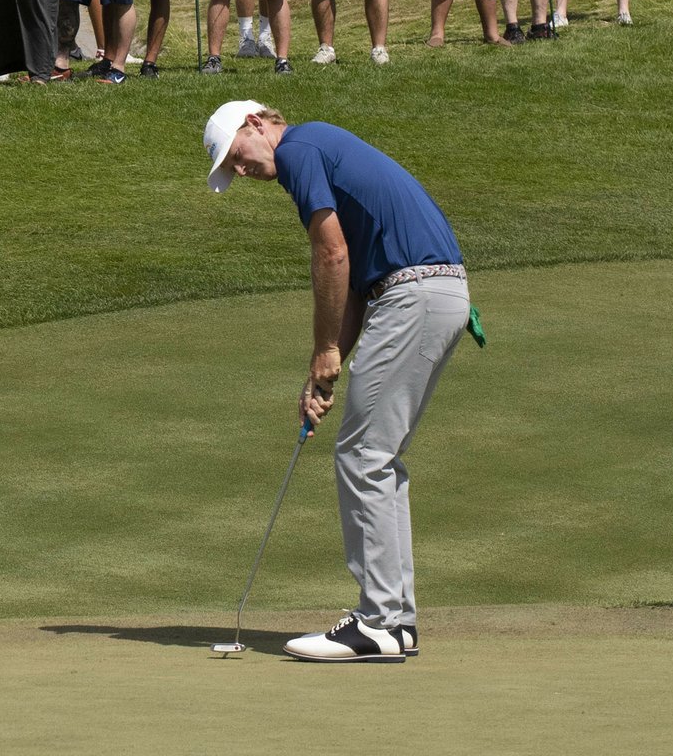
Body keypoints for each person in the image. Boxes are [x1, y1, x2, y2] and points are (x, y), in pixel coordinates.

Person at [201, 102, 471, 663]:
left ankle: (378, 621)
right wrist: (324, 368)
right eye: (233, 171)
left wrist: (326, 350)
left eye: (238, 159)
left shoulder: (298, 150)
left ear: (256, 123)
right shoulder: (317, 146)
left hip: (411, 294)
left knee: (364, 455)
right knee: (378, 457)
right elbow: (350, 288)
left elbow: (332, 254)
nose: (243, 172)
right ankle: (394, 620)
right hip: (431, 293)